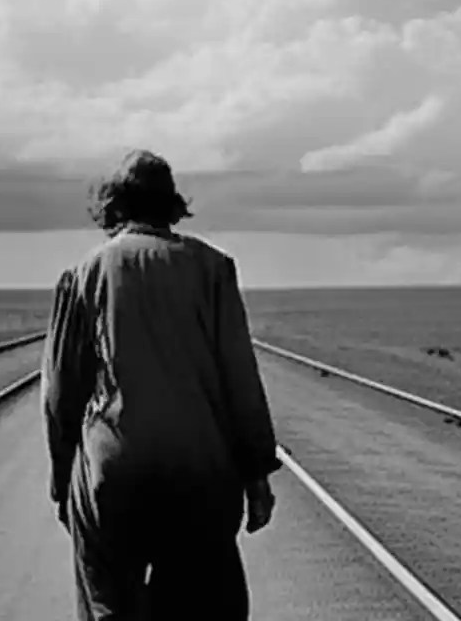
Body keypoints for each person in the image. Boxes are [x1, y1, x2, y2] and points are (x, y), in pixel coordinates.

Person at [41, 149, 282, 620]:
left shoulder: (85, 274)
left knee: (109, 602)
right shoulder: (213, 268)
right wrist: (256, 476)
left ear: (112, 205)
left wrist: (61, 483)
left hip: (114, 471)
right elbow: (240, 380)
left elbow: (60, 395)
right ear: (172, 204)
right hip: (202, 472)